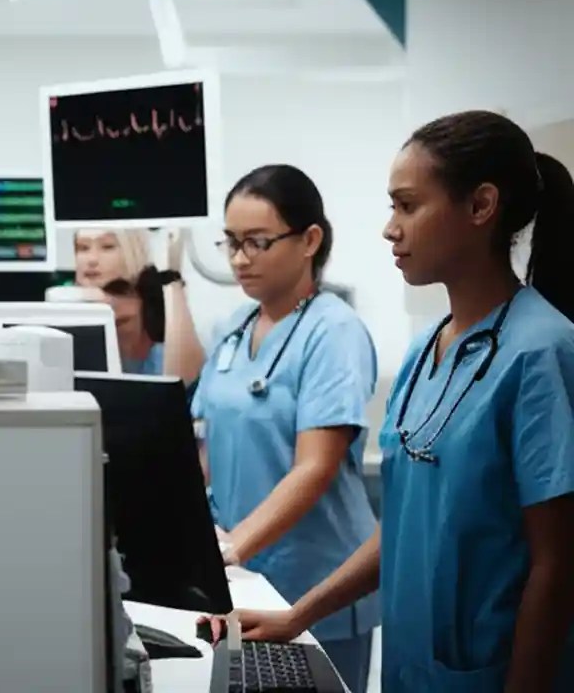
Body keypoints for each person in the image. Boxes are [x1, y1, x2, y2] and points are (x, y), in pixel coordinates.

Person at [219, 112, 574, 692]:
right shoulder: (423, 353)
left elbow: (556, 563)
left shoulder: (541, 352)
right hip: (413, 668)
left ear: (481, 206)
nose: (390, 228)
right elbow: (400, 527)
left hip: (491, 673)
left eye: (407, 206)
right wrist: (299, 616)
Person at [191, 164, 379, 692]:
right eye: (231, 242)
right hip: (242, 577)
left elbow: (315, 466)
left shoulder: (334, 332)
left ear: (309, 240)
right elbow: (210, 442)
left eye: (257, 242)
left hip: (316, 582)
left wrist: (232, 547)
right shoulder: (234, 328)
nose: (239, 259)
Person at [75, 228, 204, 381]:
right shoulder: (67, 312)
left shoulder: (167, 320)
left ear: (133, 250)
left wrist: (171, 277)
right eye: (82, 248)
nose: (92, 259)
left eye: (107, 247)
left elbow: (183, 384)